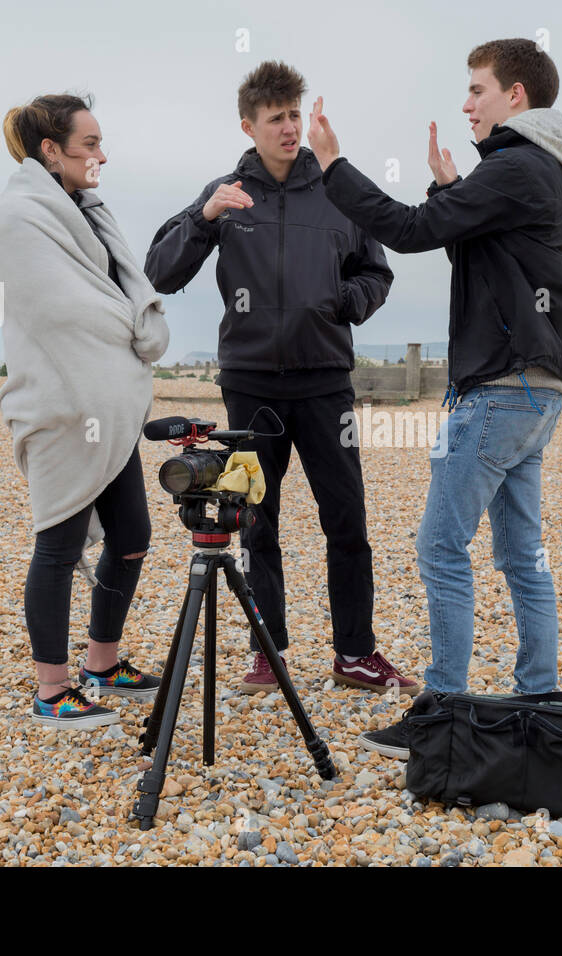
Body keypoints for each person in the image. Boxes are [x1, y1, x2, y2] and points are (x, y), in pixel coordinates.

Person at [306, 38, 562, 757]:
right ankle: (539, 696)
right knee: (522, 554)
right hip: (535, 389)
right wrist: (448, 187)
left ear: (515, 96)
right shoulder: (538, 172)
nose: (466, 103)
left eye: (477, 89)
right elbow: (469, 241)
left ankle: (443, 711)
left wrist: (334, 167)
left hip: (499, 388)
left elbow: (410, 232)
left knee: (440, 546)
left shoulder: (518, 166)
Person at [144, 61, 418, 696]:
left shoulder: (337, 189)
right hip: (252, 382)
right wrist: (205, 218)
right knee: (253, 519)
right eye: (277, 118)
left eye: (295, 114)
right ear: (249, 125)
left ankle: (355, 654)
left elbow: (377, 272)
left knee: (346, 517)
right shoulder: (226, 191)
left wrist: (343, 302)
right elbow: (160, 270)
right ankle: (268, 652)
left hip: (325, 379)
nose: (291, 127)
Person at [0, 93, 170, 729]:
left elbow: (121, 285)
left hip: (107, 406)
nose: (100, 154)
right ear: (50, 151)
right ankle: (51, 689)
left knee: (132, 537)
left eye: (99, 142)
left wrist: (134, 320)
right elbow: (60, 310)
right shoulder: (19, 216)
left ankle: (102, 662)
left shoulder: (89, 209)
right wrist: (130, 323)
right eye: (88, 144)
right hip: (61, 402)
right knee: (59, 542)